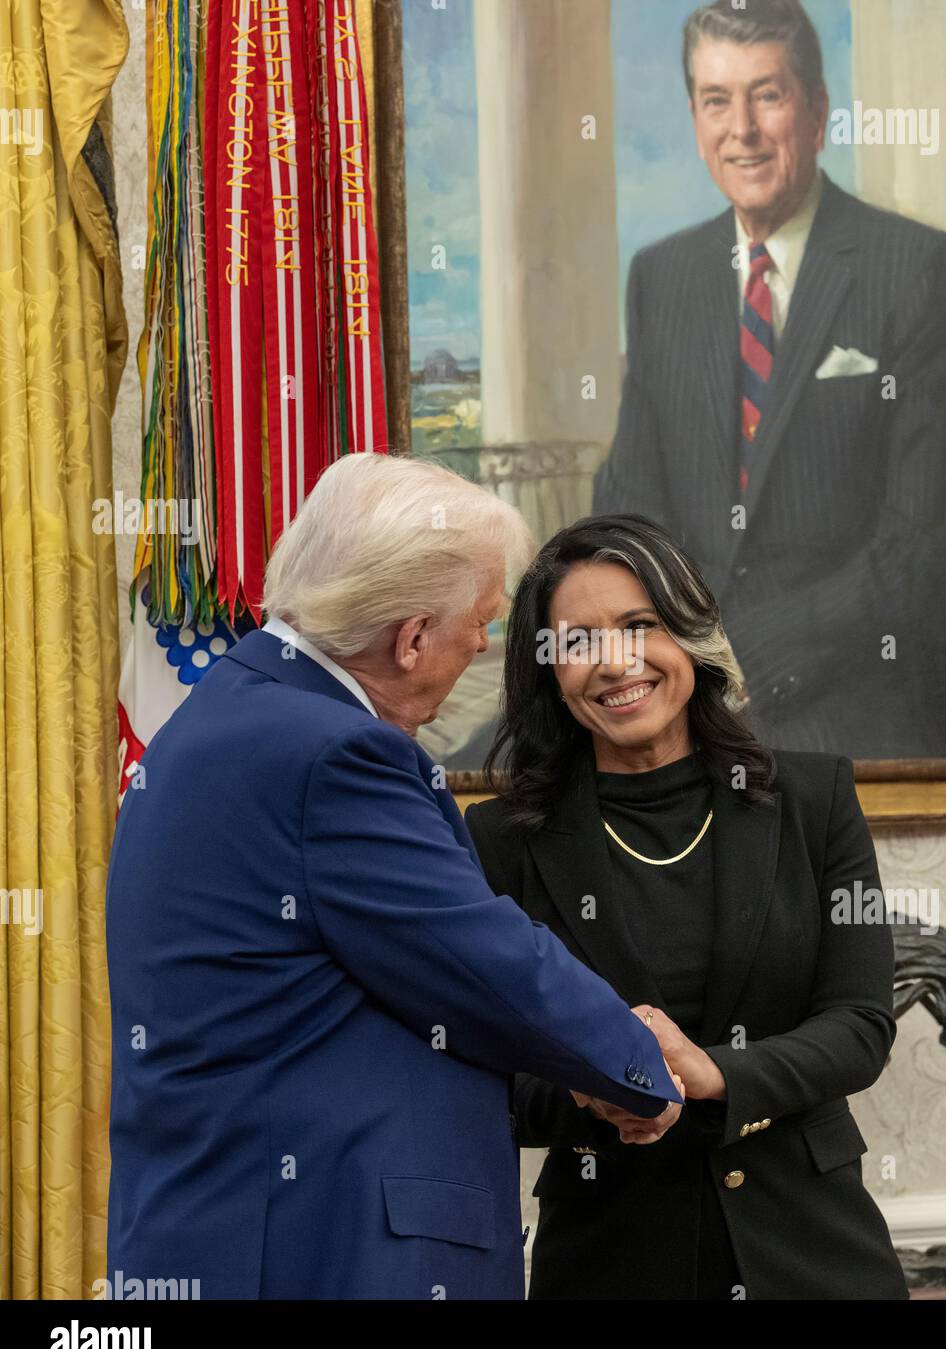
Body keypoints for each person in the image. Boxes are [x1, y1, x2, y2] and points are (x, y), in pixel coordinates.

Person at [105, 453, 683, 1301]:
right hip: (322, 1253)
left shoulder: (233, 710)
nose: (484, 643)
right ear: (411, 637)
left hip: (236, 1234)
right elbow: (480, 960)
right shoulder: (333, 753)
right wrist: (637, 1066)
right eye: (478, 622)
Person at [465, 514, 908, 1299]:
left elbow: (861, 1025)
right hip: (611, 1259)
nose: (615, 663)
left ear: (691, 638)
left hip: (813, 1254)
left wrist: (716, 1074)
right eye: (577, 642)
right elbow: (484, 1069)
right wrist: (592, 1092)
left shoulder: (814, 799)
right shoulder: (503, 838)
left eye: (642, 625)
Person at [593, 0, 946, 759]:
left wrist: (720, 660)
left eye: (766, 95)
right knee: (502, 782)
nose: (740, 129)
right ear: (695, 116)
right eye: (716, 100)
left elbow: (922, 553)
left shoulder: (917, 271)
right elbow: (628, 509)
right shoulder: (660, 278)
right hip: (674, 689)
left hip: (848, 693)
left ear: (816, 111)